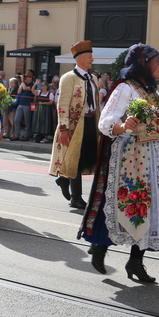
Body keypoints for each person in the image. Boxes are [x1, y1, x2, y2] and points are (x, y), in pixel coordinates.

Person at [80, 44, 159, 282]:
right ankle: (101, 246)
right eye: (156, 62)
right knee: (122, 204)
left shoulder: (150, 91)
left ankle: (135, 261)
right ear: (143, 63)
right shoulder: (125, 88)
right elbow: (106, 122)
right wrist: (123, 125)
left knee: (148, 210)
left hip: (150, 157)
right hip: (129, 158)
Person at [50, 40, 102, 209]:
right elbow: (62, 104)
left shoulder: (92, 78)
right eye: (90, 57)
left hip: (90, 122)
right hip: (74, 126)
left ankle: (64, 179)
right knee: (77, 159)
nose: (92, 60)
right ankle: (76, 197)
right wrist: (63, 129)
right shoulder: (68, 78)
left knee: (90, 156)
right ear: (80, 58)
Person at [13, 75, 35, 140]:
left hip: (28, 104)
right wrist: (22, 82)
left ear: (31, 78)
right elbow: (19, 91)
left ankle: (26, 135)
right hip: (21, 104)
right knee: (16, 119)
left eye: (27, 77)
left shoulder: (33, 85)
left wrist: (22, 81)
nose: (26, 78)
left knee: (27, 121)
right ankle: (17, 134)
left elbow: (25, 88)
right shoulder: (23, 84)